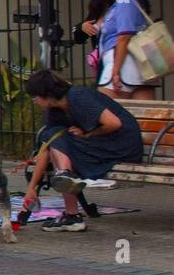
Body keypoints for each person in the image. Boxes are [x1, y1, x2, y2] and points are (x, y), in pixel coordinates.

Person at [23, 70, 142, 233]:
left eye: (35, 97)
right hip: (99, 145)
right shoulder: (54, 112)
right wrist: (31, 188)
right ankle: (70, 204)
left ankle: (67, 188)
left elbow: (114, 123)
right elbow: (48, 147)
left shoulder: (78, 96)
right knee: (52, 136)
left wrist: (88, 133)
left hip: (122, 143)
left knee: (57, 139)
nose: (34, 101)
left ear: (46, 94)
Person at [92, 0, 158, 101]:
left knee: (104, 116)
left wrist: (115, 72)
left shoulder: (123, 2)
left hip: (121, 68)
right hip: (141, 70)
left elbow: (124, 37)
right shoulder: (126, 3)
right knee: (145, 121)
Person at [75, 0, 111, 84]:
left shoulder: (125, 5)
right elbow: (78, 38)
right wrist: (82, 26)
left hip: (121, 64)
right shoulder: (97, 9)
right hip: (103, 67)